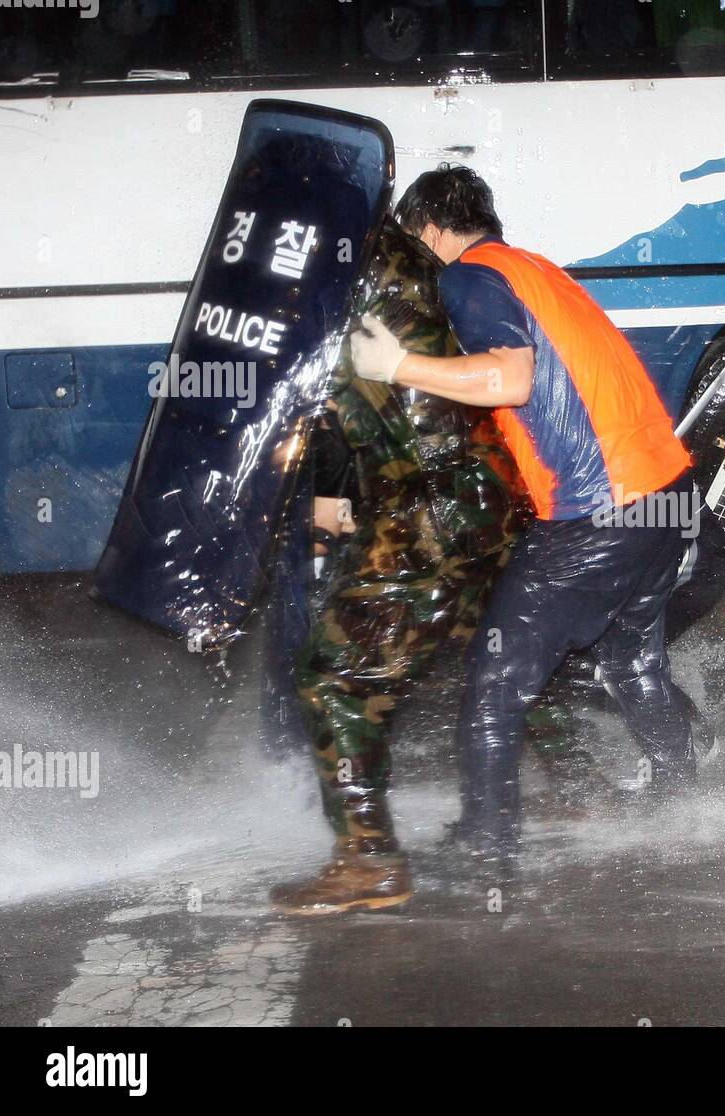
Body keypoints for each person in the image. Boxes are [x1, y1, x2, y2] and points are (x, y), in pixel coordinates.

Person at [350, 166, 701, 870]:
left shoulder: (471, 276)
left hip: (600, 512)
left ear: (432, 229)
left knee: (494, 681)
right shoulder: (535, 269)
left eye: (412, 241)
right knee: (632, 660)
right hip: (669, 495)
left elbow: (512, 378)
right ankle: (681, 792)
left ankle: (485, 845)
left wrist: (397, 366)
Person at [270, 220, 580, 916]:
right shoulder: (399, 260)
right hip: (487, 499)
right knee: (492, 651)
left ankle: (368, 859)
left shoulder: (339, 260)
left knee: (335, 678)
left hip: (427, 510)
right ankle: (581, 787)